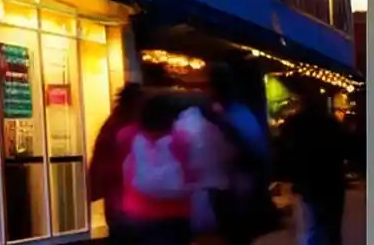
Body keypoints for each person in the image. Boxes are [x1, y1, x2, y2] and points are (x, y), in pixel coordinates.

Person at [206, 63, 275, 245]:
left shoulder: (228, 114)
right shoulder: (242, 112)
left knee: (235, 231)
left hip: (235, 182)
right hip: (242, 181)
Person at [117, 93, 196, 245]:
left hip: (136, 211)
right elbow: (194, 171)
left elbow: (123, 169)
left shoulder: (128, 135)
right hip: (175, 214)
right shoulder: (182, 138)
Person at [278, 91, 347, 245]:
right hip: (332, 183)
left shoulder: (294, 124)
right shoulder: (331, 123)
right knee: (331, 228)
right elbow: (347, 148)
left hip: (306, 184)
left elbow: (283, 152)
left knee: (310, 227)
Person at [89, 83, 144, 243]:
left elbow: (100, 158)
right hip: (127, 193)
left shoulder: (113, 124)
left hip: (118, 193)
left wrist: (95, 188)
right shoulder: (134, 126)